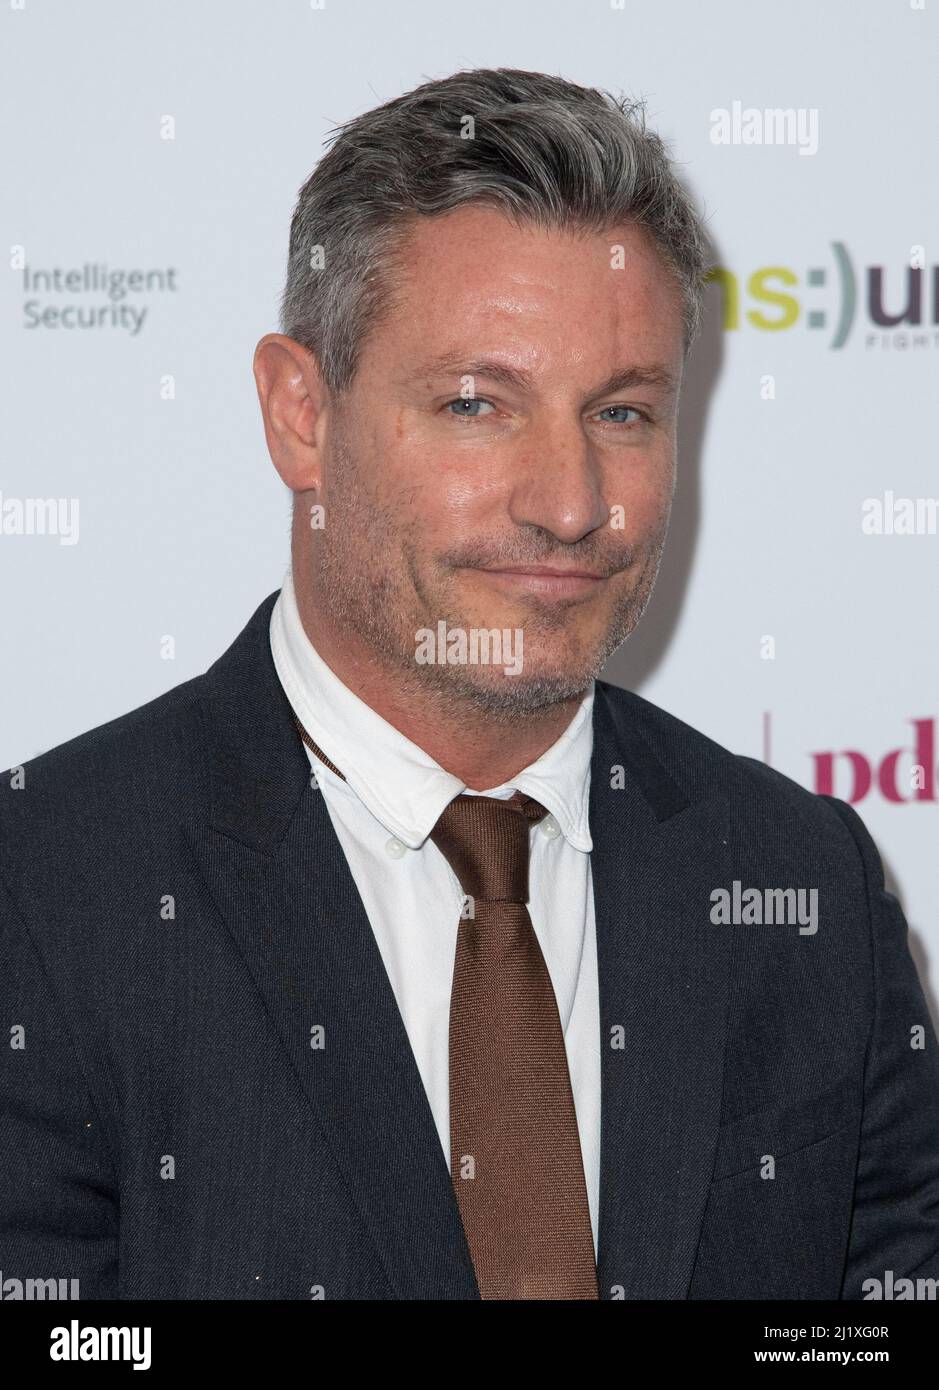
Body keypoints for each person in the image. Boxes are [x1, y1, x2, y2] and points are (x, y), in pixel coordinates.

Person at [2, 67, 937, 1302]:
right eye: (475, 402)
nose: (567, 502)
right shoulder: (45, 890)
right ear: (300, 413)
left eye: (621, 412)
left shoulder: (802, 885)